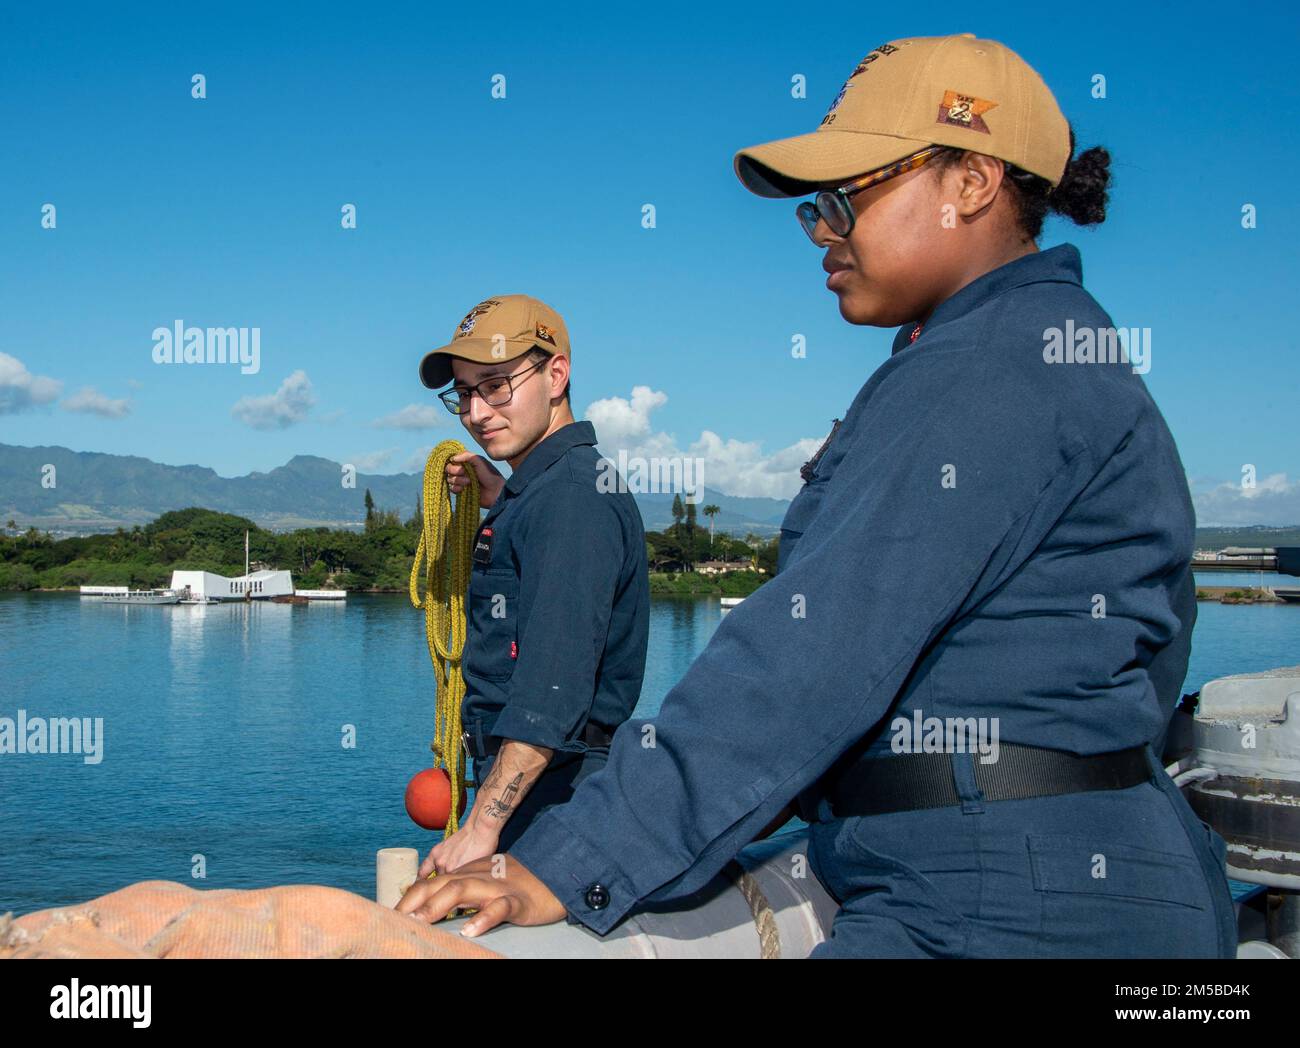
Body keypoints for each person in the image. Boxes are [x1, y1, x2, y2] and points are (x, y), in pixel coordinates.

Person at [398, 34, 1236, 958]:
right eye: (813, 212)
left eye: (845, 199)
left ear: (972, 181)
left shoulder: (985, 370)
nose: (824, 233)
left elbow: (805, 663)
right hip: (1062, 870)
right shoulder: (1054, 348)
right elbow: (1147, 652)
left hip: (1001, 899)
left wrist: (563, 862)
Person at [413, 294, 649, 872]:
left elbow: (552, 692)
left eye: (496, 385)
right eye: (465, 393)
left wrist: (481, 827)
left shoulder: (570, 498)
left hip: (555, 798)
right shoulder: (545, 490)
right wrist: (503, 500)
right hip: (537, 787)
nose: (476, 412)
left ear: (557, 374)